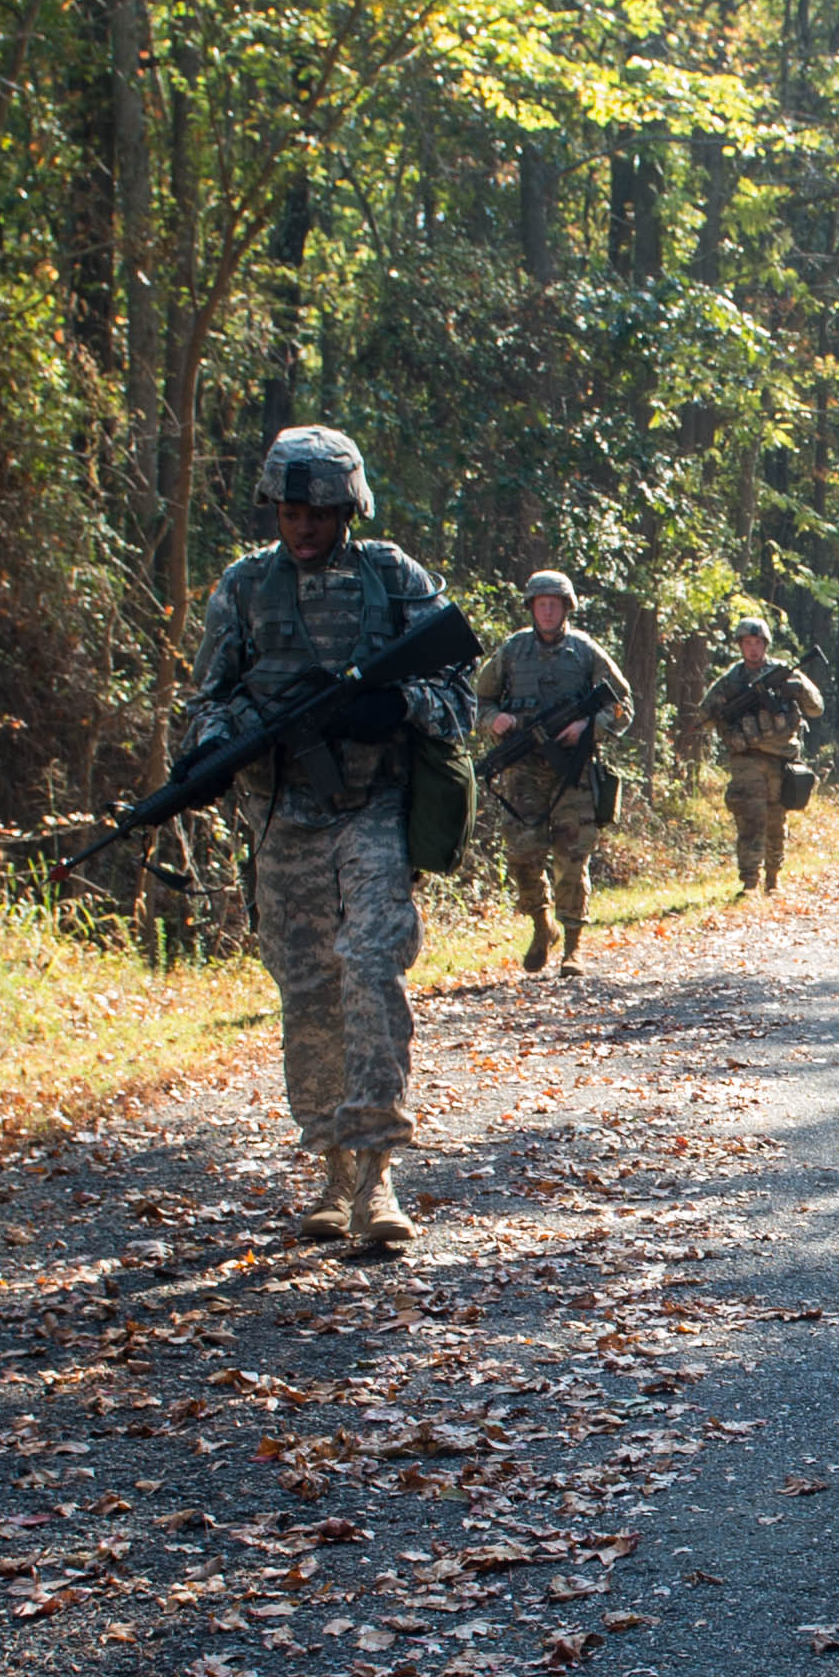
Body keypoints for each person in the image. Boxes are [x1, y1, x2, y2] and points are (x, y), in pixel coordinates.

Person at [180, 426, 475, 1246]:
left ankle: (378, 1177)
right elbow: (206, 698)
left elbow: (461, 697)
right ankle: (329, 1169)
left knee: (371, 966)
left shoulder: (391, 578)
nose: (302, 524)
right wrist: (212, 749)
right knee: (306, 988)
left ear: (348, 507)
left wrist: (399, 705)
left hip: (372, 807)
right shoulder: (244, 588)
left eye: (318, 509)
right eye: (289, 509)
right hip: (283, 817)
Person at [473, 570, 631, 971]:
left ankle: (573, 946)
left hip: (573, 773)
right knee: (523, 856)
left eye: (553, 603)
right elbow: (478, 700)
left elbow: (622, 704)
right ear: (531, 608)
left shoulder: (585, 652)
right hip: (524, 772)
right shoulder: (512, 651)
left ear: (566, 608)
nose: (546, 610)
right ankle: (543, 925)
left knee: (572, 857)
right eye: (540, 603)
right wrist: (495, 719)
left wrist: (589, 726)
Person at [701, 617, 825, 891]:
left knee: (776, 820)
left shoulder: (783, 672)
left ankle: (773, 878)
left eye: (757, 643)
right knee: (751, 818)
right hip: (748, 759)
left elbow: (816, 708)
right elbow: (705, 716)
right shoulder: (731, 680)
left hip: (782, 760)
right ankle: (749, 882)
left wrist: (798, 689)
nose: (753, 649)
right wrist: (729, 715)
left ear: (765, 644)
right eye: (747, 643)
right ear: (740, 646)